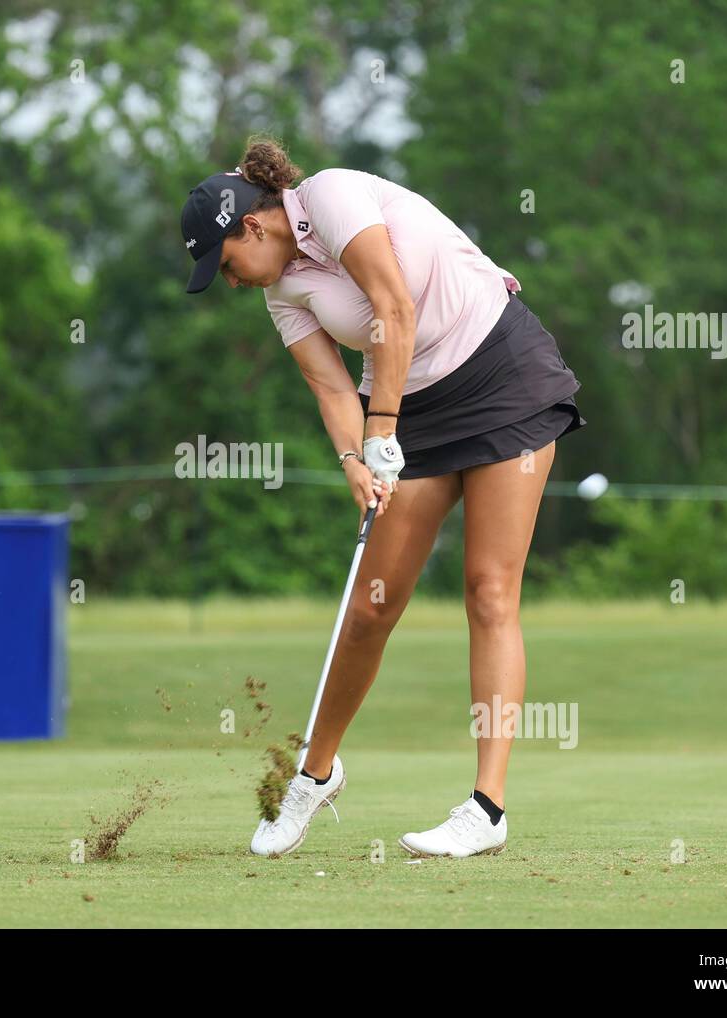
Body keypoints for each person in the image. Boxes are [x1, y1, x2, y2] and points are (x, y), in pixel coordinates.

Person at [180, 136, 586, 859]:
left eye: (227, 265)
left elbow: (393, 307)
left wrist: (383, 430)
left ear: (251, 225)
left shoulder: (331, 197)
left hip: (501, 378)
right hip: (408, 406)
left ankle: (487, 808)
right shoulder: (284, 294)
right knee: (372, 603)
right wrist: (354, 460)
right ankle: (316, 774)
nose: (233, 283)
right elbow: (332, 385)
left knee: (489, 591)